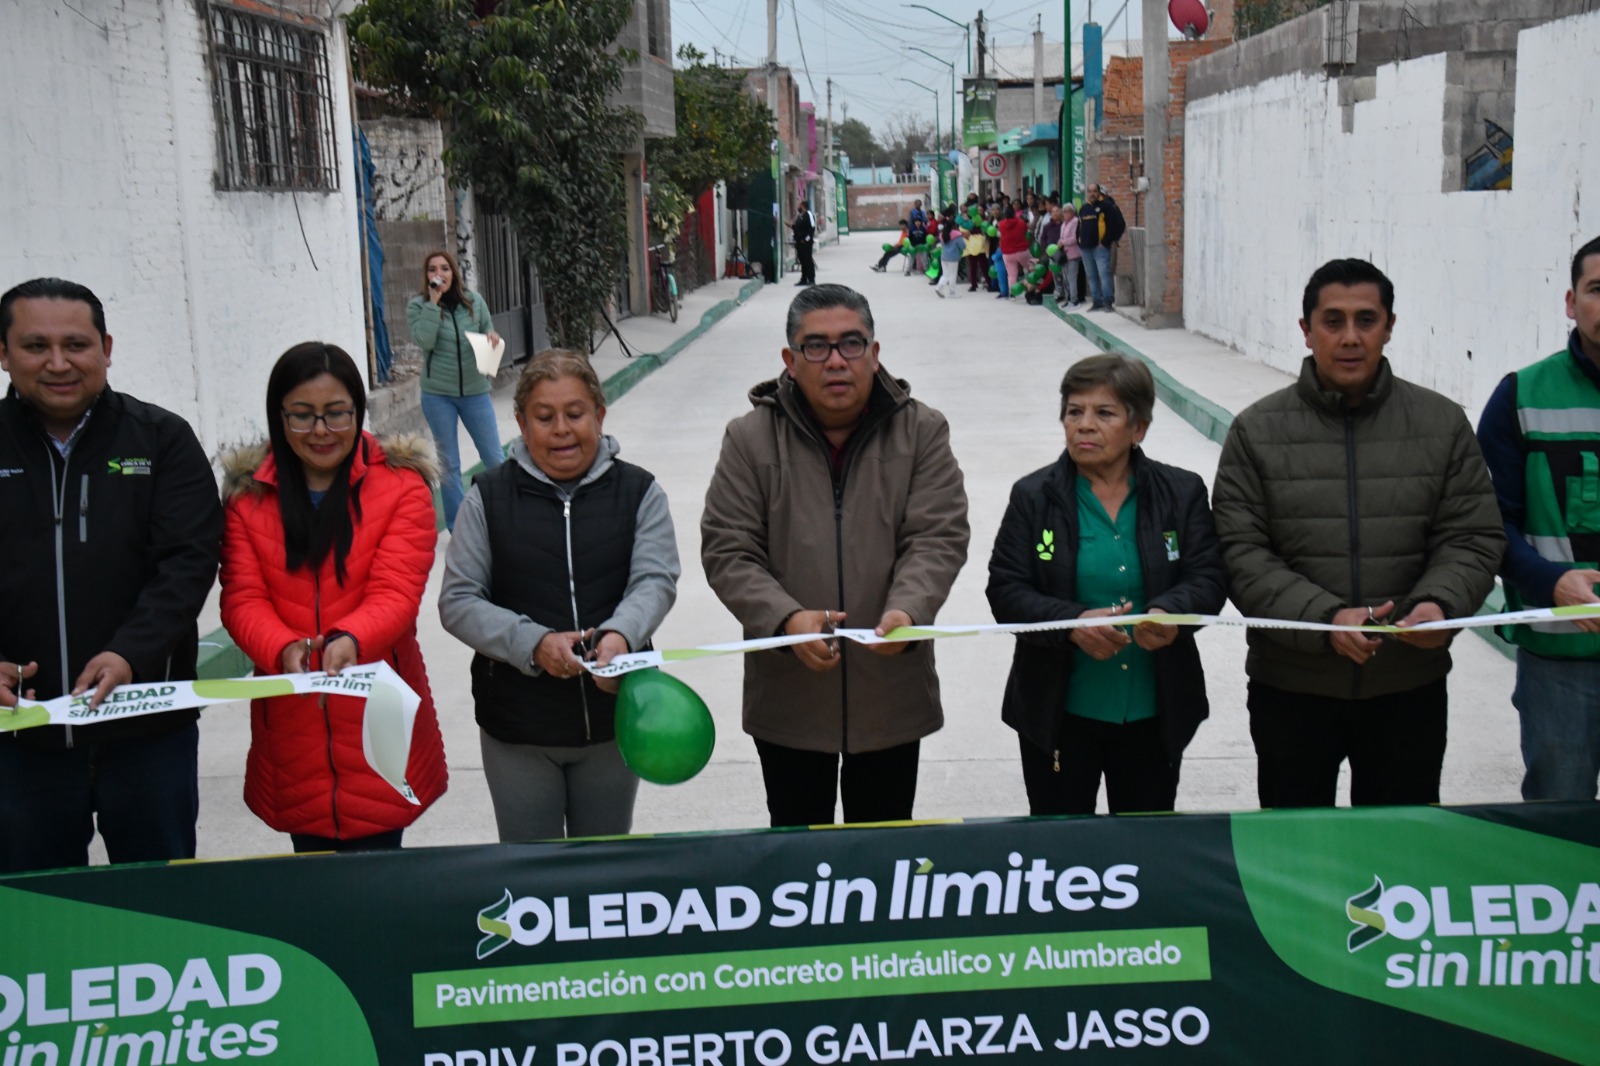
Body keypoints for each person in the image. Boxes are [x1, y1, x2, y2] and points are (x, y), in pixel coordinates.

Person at [1212, 258, 1504, 809]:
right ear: (1306, 329)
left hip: (1407, 684)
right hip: (1292, 685)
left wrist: (1439, 604)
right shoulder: (1256, 431)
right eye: (1333, 321)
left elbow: (1471, 536)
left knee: (1399, 858)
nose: (1350, 337)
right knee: (1295, 856)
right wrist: (1326, 620)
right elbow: (1239, 551)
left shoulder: (1441, 423)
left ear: (1389, 326)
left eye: (1366, 320)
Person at [702, 284, 970, 827]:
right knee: (802, 867)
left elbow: (937, 536)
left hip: (890, 692)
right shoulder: (750, 440)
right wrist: (785, 620)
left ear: (875, 353)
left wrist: (909, 610)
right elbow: (730, 548)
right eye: (816, 347)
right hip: (790, 696)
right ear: (790, 361)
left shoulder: (922, 431)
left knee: (881, 861)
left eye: (851, 344)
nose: (836, 361)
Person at [0, 278, 222, 874]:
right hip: (21, 740)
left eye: (76, 344)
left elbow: (189, 559)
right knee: (36, 916)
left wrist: (131, 653)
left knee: (161, 908)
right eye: (35, 346)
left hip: (148, 731)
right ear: (3, 353)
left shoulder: (161, 439)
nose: (58, 363)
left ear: (106, 347)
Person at [440, 350, 680, 841]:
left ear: (600, 414)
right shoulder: (487, 497)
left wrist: (621, 635)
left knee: (603, 870)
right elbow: (459, 600)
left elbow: (655, 580)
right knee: (532, 876)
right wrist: (532, 643)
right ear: (521, 425)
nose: (561, 429)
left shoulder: (640, 492)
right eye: (544, 417)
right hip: (518, 727)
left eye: (575, 413)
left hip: (615, 721)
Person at [219, 342, 448, 852]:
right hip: (293, 723)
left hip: (377, 718)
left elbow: (397, 591)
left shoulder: (402, 486)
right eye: (301, 416)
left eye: (335, 414)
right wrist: (281, 648)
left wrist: (352, 637)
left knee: (379, 884)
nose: (320, 431)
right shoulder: (248, 498)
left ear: (358, 411)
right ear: (279, 417)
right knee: (314, 883)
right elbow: (242, 598)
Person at [988, 355, 1225, 815]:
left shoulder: (1182, 492)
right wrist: (1072, 623)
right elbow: (1006, 590)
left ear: (1139, 428)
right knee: (1062, 853)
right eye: (1074, 412)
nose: (1085, 426)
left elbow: (1209, 577)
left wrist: (1168, 614)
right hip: (1060, 715)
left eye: (1105, 413)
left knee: (1143, 852)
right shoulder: (1033, 496)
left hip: (1153, 715)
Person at [1476, 234, 1600, 800]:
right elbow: (1485, 524)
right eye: (1597, 289)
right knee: (1559, 820)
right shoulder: (1520, 396)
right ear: (1571, 302)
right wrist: (1551, 582)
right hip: (1559, 656)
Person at [407, 249, 505, 531]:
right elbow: (424, 341)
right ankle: (459, 526)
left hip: (475, 392)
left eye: (444, 268)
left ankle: (506, 514)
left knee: (494, 457)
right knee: (449, 464)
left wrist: (493, 337)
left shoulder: (474, 302)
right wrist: (433, 305)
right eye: (432, 270)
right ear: (426, 277)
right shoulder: (418, 306)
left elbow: (489, 329)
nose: (439, 274)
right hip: (438, 395)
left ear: (454, 273)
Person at [1078, 184, 1125, 312]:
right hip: (1085, 249)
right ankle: (1096, 302)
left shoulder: (1106, 207)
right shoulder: (1084, 208)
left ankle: (1108, 301)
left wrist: (1105, 242)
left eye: (1094, 191)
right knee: (1092, 276)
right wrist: (1079, 242)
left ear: (1099, 193)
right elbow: (1079, 226)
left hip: (1100, 249)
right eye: (1090, 191)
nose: (1092, 193)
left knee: (1104, 275)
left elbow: (1114, 225)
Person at [997, 206, 1031, 300]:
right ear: (1014, 213)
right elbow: (1025, 232)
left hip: (1007, 253)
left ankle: (1012, 294)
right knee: (1031, 267)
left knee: (1012, 274)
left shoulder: (1001, 224)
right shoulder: (1021, 223)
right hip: (1022, 250)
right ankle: (1034, 287)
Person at [1058, 204, 1083, 308]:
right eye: (1064, 211)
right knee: (1066, 278)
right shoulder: (1064, 224)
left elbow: (1074, 238)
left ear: (1073, 212)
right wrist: (1060, 242)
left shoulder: (1075, 222)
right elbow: (1061, 237)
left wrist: (1063, 242)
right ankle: (1068, 299)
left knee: (1072, 277)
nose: (1066, 213)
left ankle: (1074, 299)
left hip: (1073, 254)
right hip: (1064, 254)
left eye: (1068, 211)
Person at [935, 218, 964, 299]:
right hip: (953, 258)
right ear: (954, 225)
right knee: (952, 275)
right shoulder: (957, 235)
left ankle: (939, 287)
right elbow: (963, 246)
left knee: (945, 274)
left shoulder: (942, 234)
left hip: (944, 257)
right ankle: (952, 292)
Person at [793, 204, 817, 286]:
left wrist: (805, 239)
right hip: (799, 242)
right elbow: (798, 228)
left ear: (804, 206)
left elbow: (812, 228)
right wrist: (792, 226)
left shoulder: (809, 215)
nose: (798, 207)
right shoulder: (800, 216)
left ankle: (811, 279)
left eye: (799, 205)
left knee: (808, 260)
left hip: (806, 243)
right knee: (802, 261)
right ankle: (803, 279)